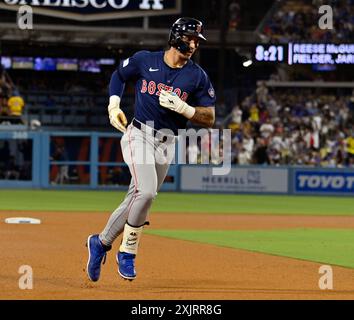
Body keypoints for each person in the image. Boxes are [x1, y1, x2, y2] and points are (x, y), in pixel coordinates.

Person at [86, 17, 216, 282]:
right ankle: (128, 251)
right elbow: (119, 75)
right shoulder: (146, 60)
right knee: (146, 192)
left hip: (168, 142)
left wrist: (185, 109)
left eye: (196, 40)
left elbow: (210, 117)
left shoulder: (197, 75)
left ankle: (100, 242)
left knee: (137, 197)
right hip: (139, 134)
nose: (192, 44)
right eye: (189, 38)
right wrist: (113, 105)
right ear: (175, 36)